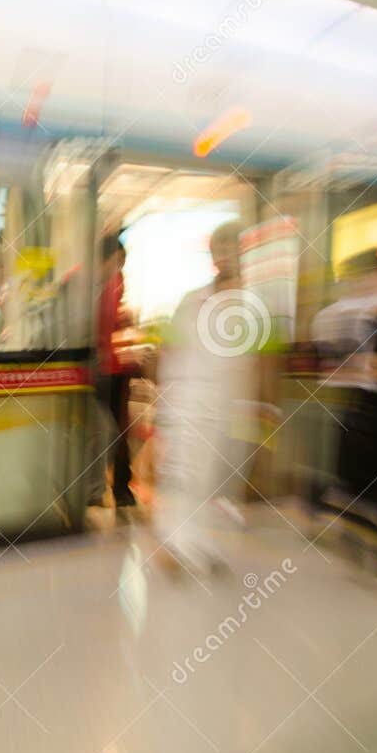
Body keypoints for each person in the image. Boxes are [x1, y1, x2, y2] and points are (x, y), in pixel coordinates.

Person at [154, 221, 258, 574]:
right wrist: (165, 407)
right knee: (185, 478)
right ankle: (175, 546)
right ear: (213, 253)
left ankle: (207, 546)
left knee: (221, 481)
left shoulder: (252, 305)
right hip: (188, 405)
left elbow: (259, 363)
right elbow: (169, 352)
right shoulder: (191, 301)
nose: (227, 254)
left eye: (234, 247)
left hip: (231, 410)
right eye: (221, 247)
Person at [93, 231, 136, 510]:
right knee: (105, 429)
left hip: (115, 368)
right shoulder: (90, 284)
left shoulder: (117, 282)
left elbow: (113, 323)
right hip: (100, 370)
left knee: (118, 429)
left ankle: (120, 487)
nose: (118, 269)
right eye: (115, 261)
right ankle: (106, 487)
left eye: (121, 263)